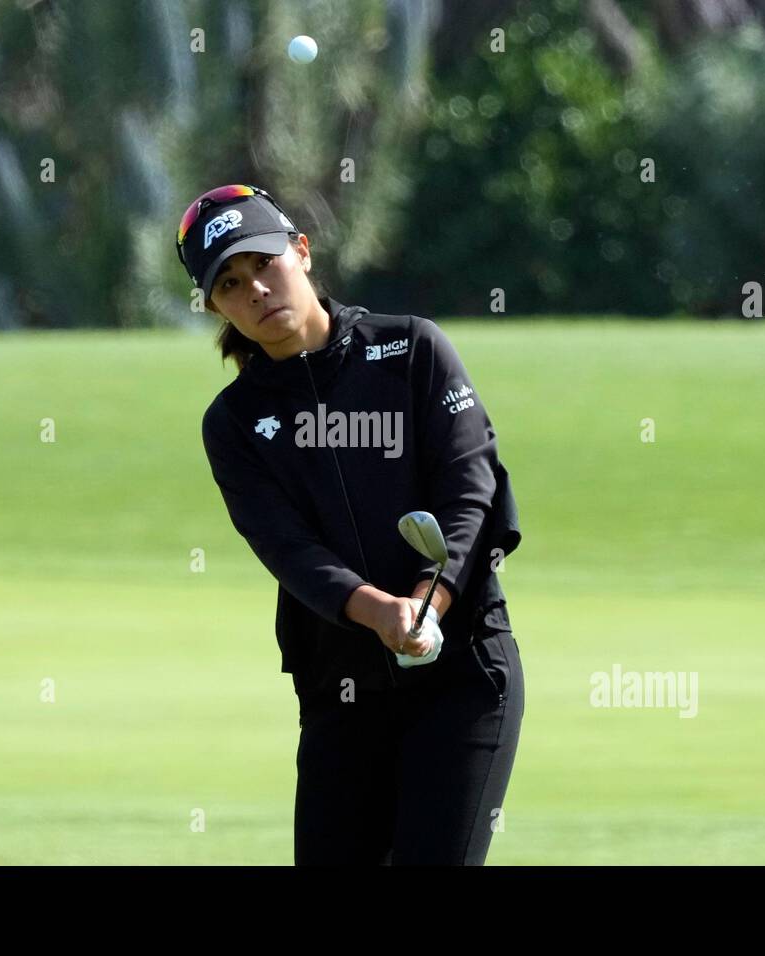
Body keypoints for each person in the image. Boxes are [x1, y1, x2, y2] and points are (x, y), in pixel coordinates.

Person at [178, 183, 525, 865]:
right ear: (216, 305)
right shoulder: (235, 423)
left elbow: (469, 486)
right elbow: (289, 550)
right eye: (229, 284)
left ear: (300, 252)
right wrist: (379, 615)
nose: (255, 290)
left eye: (263, 263)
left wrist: (429, 602)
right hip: (343, 690)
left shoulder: (412, 351)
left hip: (461, 675)